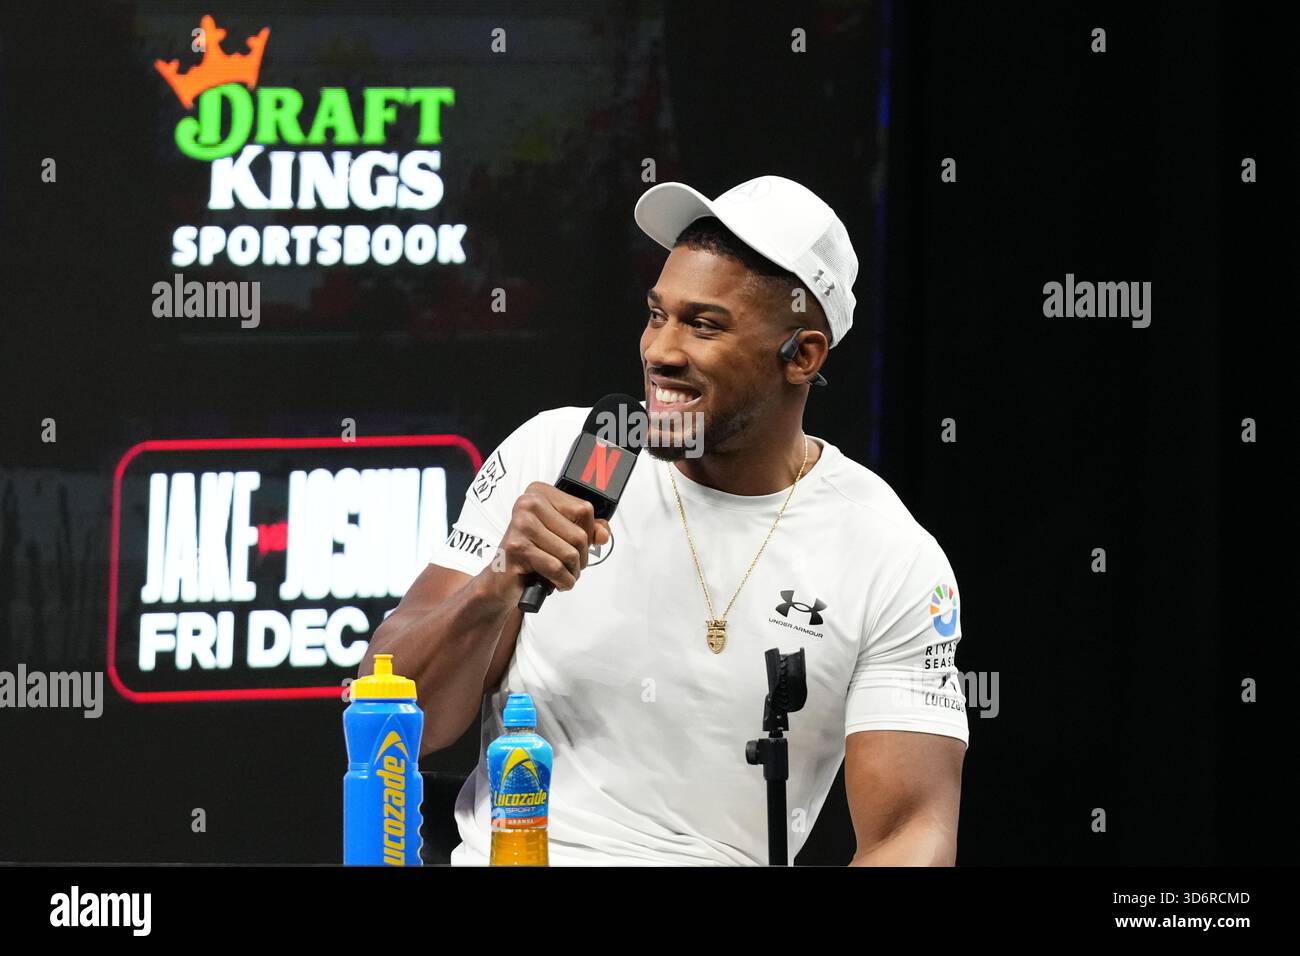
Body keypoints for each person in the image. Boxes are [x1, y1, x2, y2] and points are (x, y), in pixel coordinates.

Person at [360, 175, 969, 865]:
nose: (660, 351)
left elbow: (912, 832)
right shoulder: (558, 455)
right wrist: (493, 585)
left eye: (703, 325)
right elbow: (393, 718)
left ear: (803, 356)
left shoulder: (886, 552)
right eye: (657, 315)